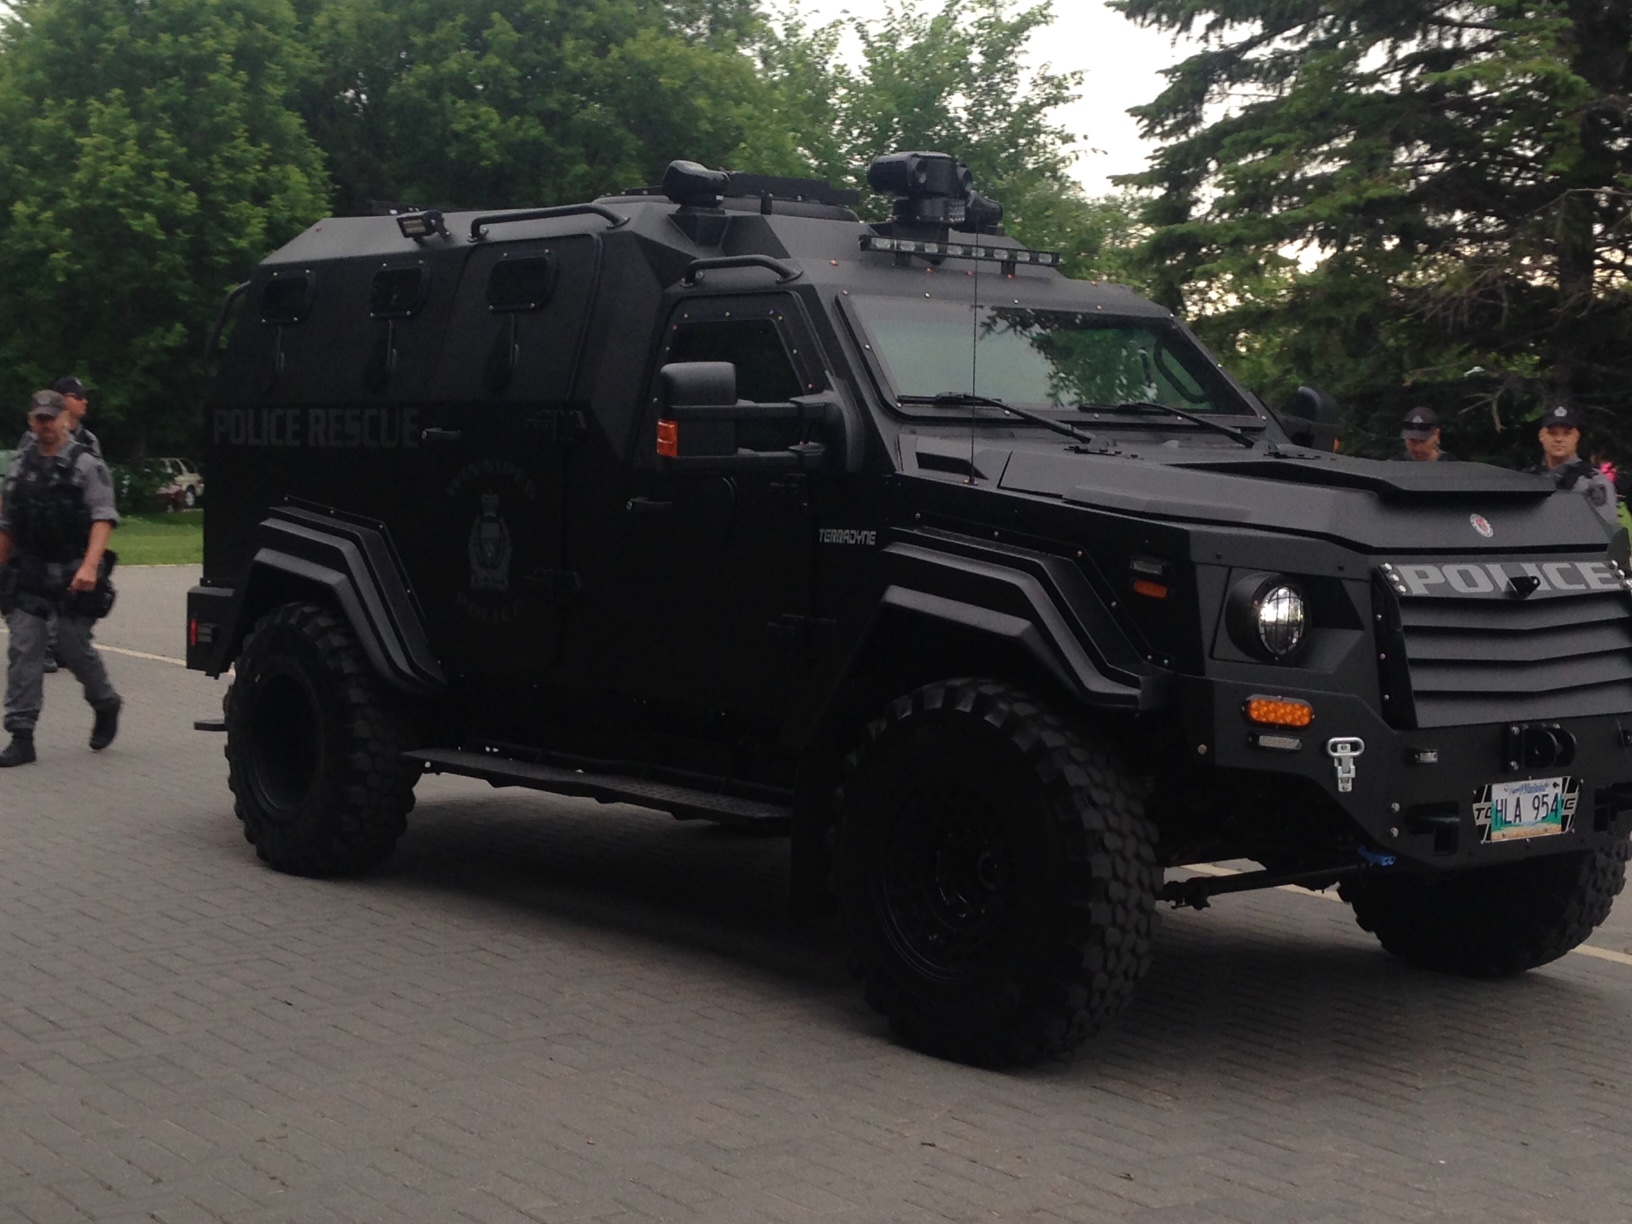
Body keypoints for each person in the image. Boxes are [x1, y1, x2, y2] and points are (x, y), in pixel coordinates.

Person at [0, 390, 122, 767]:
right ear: (30, 421)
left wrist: (89, 566)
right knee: (24, 647)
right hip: (31, 572)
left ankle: (105, 701)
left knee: (71, 646)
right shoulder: (20, 468)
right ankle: (21, 735)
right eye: (39, 418)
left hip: (74, 573)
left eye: (52, 418)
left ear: (65, 420)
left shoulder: (87, 465)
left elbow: (103, 518)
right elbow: (7, 526)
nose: (46, 425)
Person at [10, 377, 101, 673]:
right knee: (40, 583)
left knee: (77, 591)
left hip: (77, 529)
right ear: (63, 401)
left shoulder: (88, 441)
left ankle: (70, 644)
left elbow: (96, 483)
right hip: (42, 528)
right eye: (78, 396)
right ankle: (46, 647)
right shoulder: (34, 439)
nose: (84, 401)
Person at [1530, 403, 1618, 528]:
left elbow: (1606, 530)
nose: (1559, 439)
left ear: (1576, 436)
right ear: (1541, 436)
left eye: (1566, 433)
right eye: (1552, 433)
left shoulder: (1593, 482)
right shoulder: (1529, 479)